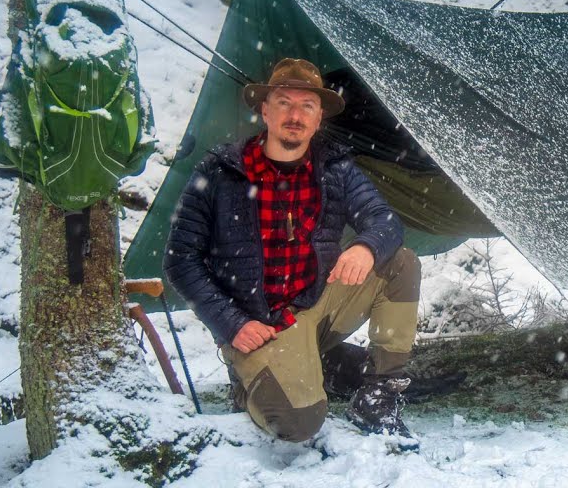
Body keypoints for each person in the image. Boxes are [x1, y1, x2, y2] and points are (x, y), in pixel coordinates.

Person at [163, 58, 420, 445]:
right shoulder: (219, 172)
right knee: (298, 425)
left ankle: (378, 398)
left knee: (399, 263)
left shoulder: (335, 167)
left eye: (307, 106)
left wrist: (366, 247)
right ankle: (253, 382)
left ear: (319, 119)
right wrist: (232, 324)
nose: (295, 115)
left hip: (316, 305)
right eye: (284, 102)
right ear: (264, 110)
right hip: (258, 326)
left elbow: (385, 220)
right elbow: (180, 260)